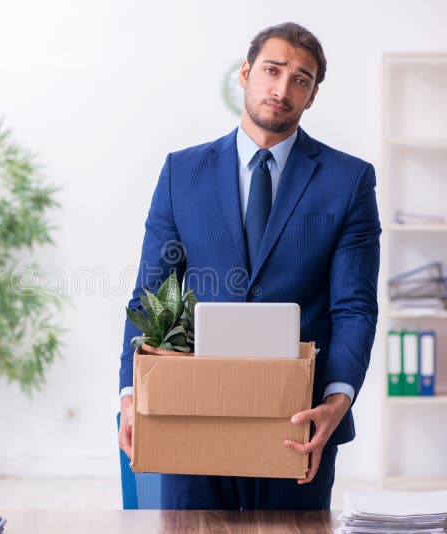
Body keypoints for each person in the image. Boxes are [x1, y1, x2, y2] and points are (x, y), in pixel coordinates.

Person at [117, 22, 380, 510]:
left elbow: (355, 307)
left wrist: (336, 401)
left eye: (301, 79)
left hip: (295, 419)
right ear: (246, 73)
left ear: (312, 96)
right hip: (191, 413)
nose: (282, 89)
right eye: (272, 70)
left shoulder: (349, 181)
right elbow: (150, 296)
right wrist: (132, 394)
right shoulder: (182, 172)